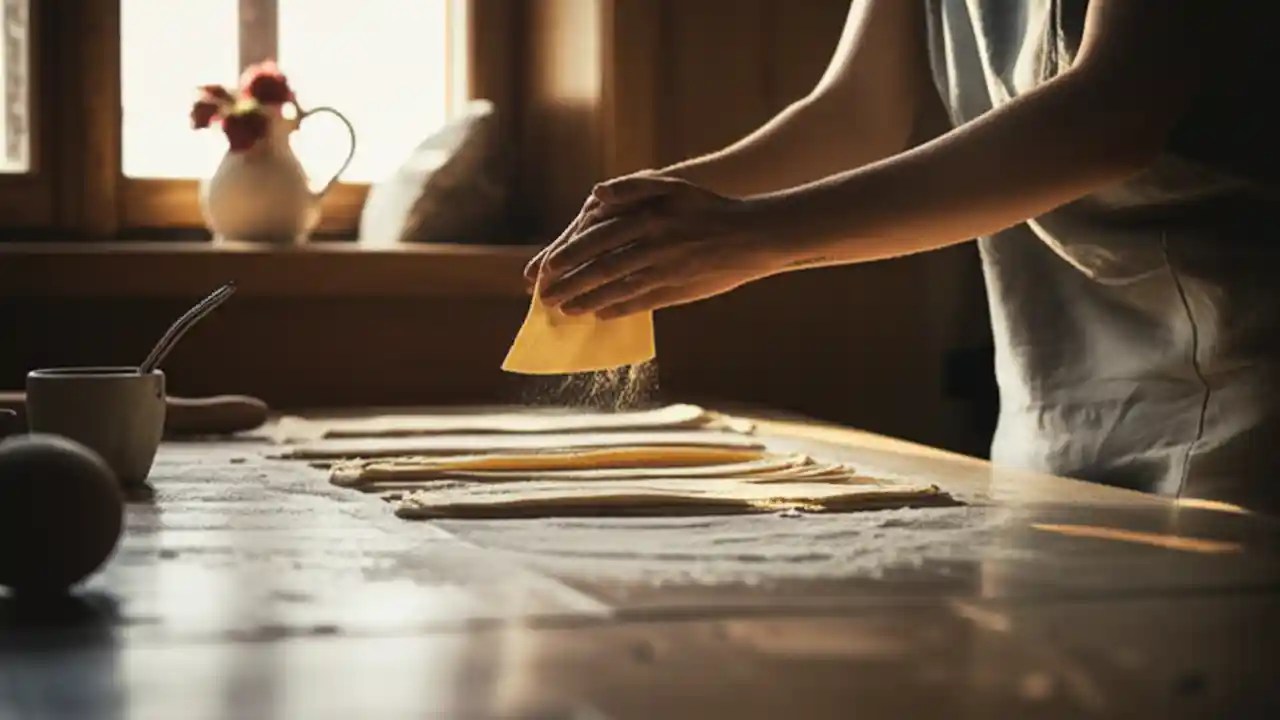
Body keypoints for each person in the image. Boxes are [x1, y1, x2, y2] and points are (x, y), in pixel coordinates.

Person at [523, 1, 1278, 515]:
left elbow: (1113, 110)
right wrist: (666, 206)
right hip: (1051, 405)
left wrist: (752, 235)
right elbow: (856, 114)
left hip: (1242, 404)